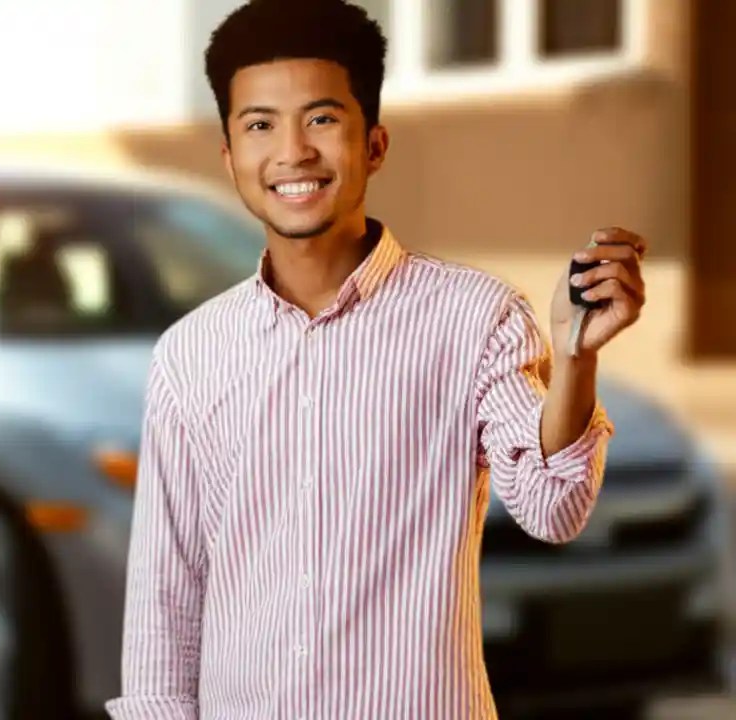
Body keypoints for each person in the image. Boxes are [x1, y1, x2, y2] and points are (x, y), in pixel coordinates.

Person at [105, 1, 647, 718]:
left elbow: (552, 507)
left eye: (322, 119)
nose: (293, 151)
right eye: (260, 124)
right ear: (230, 157)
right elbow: (163, 607)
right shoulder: (189, 355)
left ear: (376, 145)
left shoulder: (473, 318)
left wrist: (575, 358)